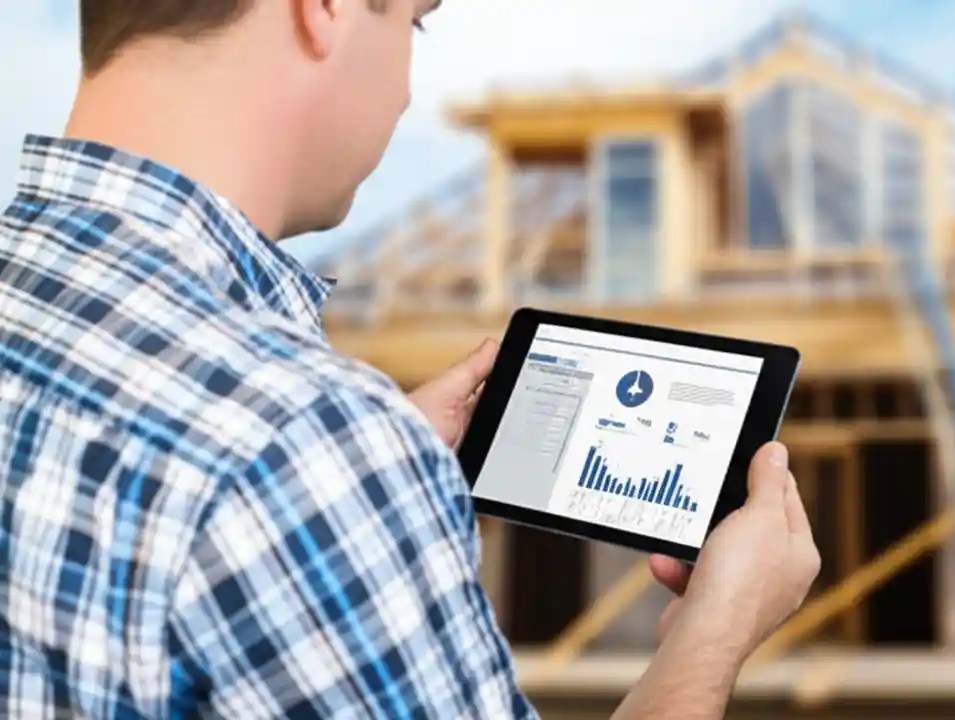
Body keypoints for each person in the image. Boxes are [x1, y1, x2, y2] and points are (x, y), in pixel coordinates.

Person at [0, 1, 820, 717]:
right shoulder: (304, 440)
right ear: (324, 6)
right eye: (416, 21)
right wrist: (711, 640)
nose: (403, 91)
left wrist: (369, 474)